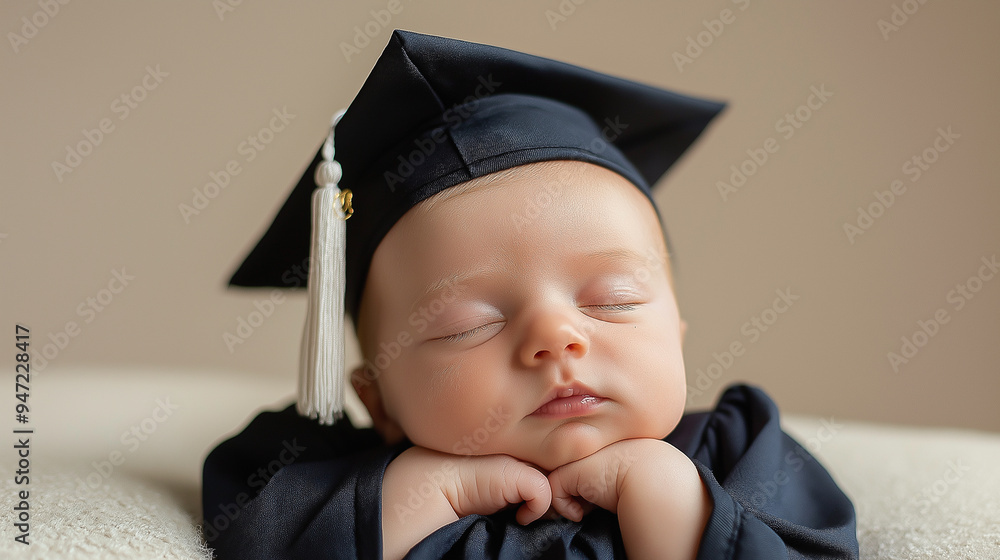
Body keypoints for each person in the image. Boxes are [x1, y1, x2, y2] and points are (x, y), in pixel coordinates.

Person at [203, 29, 859, 560]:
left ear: (677, 332)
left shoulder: (737, 455)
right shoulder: (325, 484)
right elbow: (252, 535)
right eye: (466, 325)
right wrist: (419, 497)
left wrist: (666, 500)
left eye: (614, 299)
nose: (555, 337)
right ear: (379, 401)